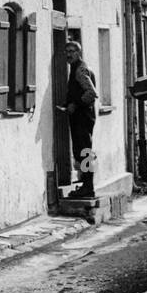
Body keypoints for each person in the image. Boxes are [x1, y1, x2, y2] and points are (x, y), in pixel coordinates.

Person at [56, 39, 97, 199]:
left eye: (72, 51)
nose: (69, 55)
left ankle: (88, 187)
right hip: (80, 116)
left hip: (83, 117)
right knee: (82, 152)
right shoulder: (75, 68)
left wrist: (75, 105)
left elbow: (91, 94)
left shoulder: (80, 70)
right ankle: (86, 185)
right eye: (67, 52)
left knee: (85, 152)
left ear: (79, 53)